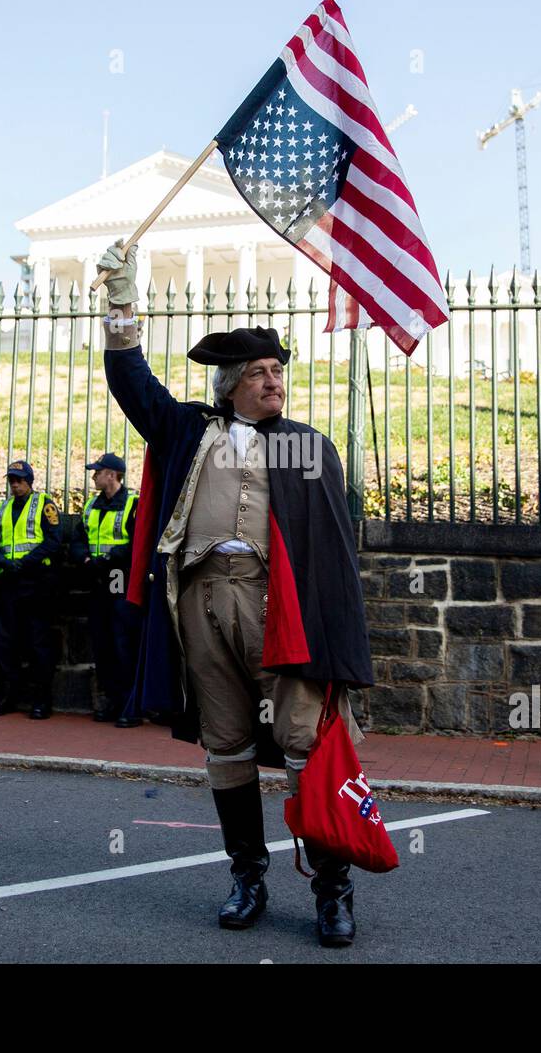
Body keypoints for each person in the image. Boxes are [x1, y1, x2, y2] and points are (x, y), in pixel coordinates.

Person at [96, 241, 374, 948]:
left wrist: (335, 635)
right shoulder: (190, 429)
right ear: (229, 385)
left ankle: (331, 888)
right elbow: (132, 382)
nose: (273, 380)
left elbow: (332, 553)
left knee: (303, 739)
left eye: (278, 369)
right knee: (225, 742)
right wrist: (122, 306)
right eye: (258, 372)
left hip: (279, 606)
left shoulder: (304, 444)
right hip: (200, 599)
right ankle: (247, 874)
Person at [0, 460, 63, 719]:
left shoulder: (44, 505)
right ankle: (9, 695)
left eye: (19, 480)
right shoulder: (3, 508)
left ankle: (41, 700)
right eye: (12, 481)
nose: (15, 485)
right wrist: (3, 562)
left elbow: (53, 541)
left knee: (38, 642)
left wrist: (24, 563)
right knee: (6, 642)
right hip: (9, 582)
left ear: (30, 481)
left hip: (36, 582)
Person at [70, 451, 142, 728]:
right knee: (103, 645)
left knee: (124, 644)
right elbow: (79, 537)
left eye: (97, 472)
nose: (93, 476)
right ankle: (112, 701)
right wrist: (84, 558)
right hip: (97, 581)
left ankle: (130, 706)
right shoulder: (91, 505)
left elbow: (138, 541)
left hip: (120, 579)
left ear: (112, 475)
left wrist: (108, 560)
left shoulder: (133, 504)